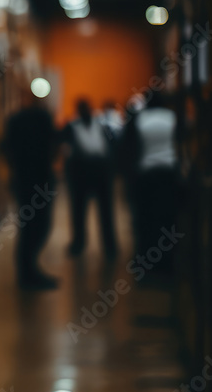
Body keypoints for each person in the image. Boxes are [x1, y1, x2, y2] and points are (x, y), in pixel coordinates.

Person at [3, 87, 60, 289]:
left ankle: (28, 271)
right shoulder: (41, 118)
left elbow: (6, 148)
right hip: (38, 179)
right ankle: (28, 272)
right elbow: (54, 145)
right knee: (37, 226)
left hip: (25, 180)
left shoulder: (16, 120)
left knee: (29, 227)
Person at [121, 92, 179, 263]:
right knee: (167, 219)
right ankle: (166, 261)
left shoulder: (139, 119)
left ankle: (144, 257)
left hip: (145, 175)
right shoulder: (172, 117)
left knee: (145, 219)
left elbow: (130, 149)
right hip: (168, 173)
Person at [62, 98, 117, 258]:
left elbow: (111, 144)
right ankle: (79, 243)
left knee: (106, 210)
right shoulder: (71, 126)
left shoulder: (101, 125)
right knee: (79, 210)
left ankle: (110, 245)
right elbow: (66, 149)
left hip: (100, 170)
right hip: (81, 172)